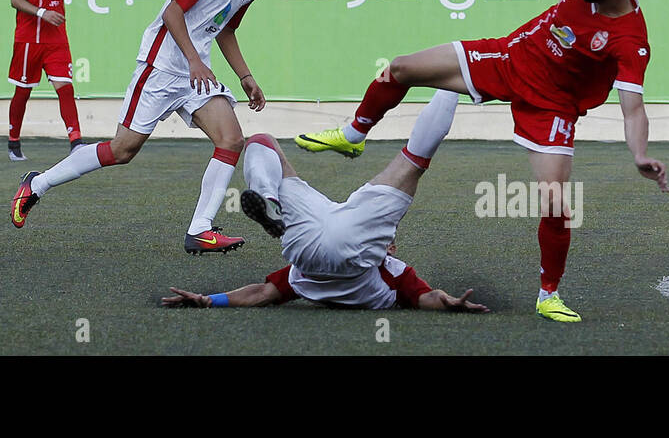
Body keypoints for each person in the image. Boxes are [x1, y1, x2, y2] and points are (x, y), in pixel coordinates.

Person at [295, 0, 669, 322]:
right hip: (508, 58)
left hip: (552, 105)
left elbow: (633, 110)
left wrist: (639, 154)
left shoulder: (630, 41)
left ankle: (548, 294)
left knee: (556, 200)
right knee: (401, 68)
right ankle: (354, 136)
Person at [11, 0, 276, 255]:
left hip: (196, 72)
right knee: (123, 150)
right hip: (162, 65)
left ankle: (200, 229)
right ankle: (37, 184)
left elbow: (225, 29)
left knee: (230, 139)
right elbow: (172, 11)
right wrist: (194, 61)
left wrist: (245, 75)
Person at [162, 128, 489, 312]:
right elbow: (424, 298)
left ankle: (269, 199)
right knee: (262, 142)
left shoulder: (305, 274)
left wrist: (211, 300)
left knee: (262, 142)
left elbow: (262, 293)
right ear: (388, 249)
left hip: (315, 240)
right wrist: (447, 302)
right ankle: (269, 201)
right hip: (323, 229)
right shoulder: (393, 273)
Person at [6, 0, 82, 161]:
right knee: (23, 91)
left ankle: (76, 142)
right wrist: (41, 13)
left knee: (65, 88)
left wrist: (53, 17)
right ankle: (14, 141)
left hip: (57, 39)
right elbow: (15, 0)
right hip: (29, 39)